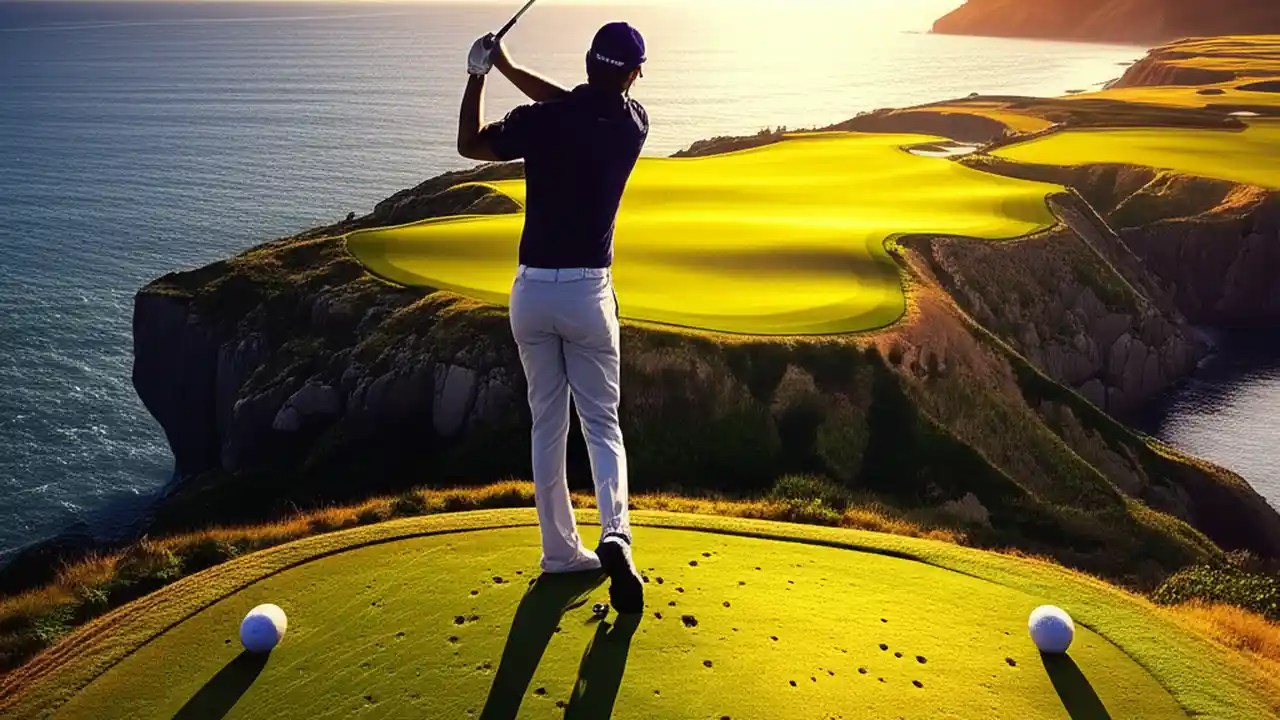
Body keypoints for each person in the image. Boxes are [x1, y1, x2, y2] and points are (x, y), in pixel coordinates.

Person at [456, 23, 648, 613]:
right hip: (589, 294)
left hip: (532, 292)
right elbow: (577, 104)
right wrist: (510, 68)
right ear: (634, 73)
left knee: (547, 424)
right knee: (602, 425)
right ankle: (614, 532)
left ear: (587, 60)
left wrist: (480, 74)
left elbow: (470, 143)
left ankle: (560, 553)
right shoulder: (632, 123)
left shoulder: (543, 121)